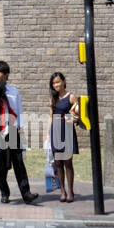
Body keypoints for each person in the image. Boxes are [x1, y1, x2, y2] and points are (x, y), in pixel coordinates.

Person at [0, 61, 37, 205]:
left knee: (18, 162)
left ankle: (26, 193)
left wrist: (19, 128)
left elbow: (18, 110)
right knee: (0, 165)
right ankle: (4, 193)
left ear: (6, 75)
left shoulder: (13, 91)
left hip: (11, 130)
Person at [48, 71, 79, 202]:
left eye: (58, 82)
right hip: (55, 131)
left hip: (66, 131)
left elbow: (78, 114)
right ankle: (62, 191)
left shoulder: (71, 97)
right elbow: (50, 116)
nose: (56, 85)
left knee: (68, 162)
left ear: (64, 82)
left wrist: (73, 120)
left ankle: (70, 191)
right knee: (58, 163)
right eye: (54, 83)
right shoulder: (53, 98)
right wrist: (48, 133)